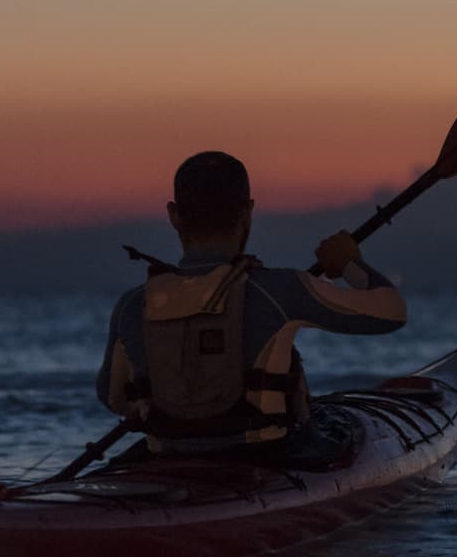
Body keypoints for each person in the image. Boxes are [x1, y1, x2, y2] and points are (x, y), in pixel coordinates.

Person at [96, 151, 407, 455]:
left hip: (168, 455)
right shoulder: (281, 289)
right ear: (247, 212)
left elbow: (113, 399)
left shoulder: (133, 304)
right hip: (265, 454)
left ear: (174, 215)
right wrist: (349, 263)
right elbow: (391, 312)